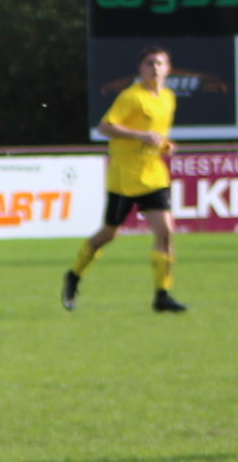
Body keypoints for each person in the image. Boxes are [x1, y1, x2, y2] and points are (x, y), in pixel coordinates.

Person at [64, 47, 186, 313]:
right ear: (140, 68)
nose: (155, 68)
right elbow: (105, 126)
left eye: (160, 63)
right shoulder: (131, 97)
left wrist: (164, 144)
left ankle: (162, 295)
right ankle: (74, 275)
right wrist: (141, 136)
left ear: (168, 68)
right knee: (108, 234)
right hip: (125, 178)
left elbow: (157, 133)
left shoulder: (168, 97)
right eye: (149, 63)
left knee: (165, 232)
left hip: (153, 175)